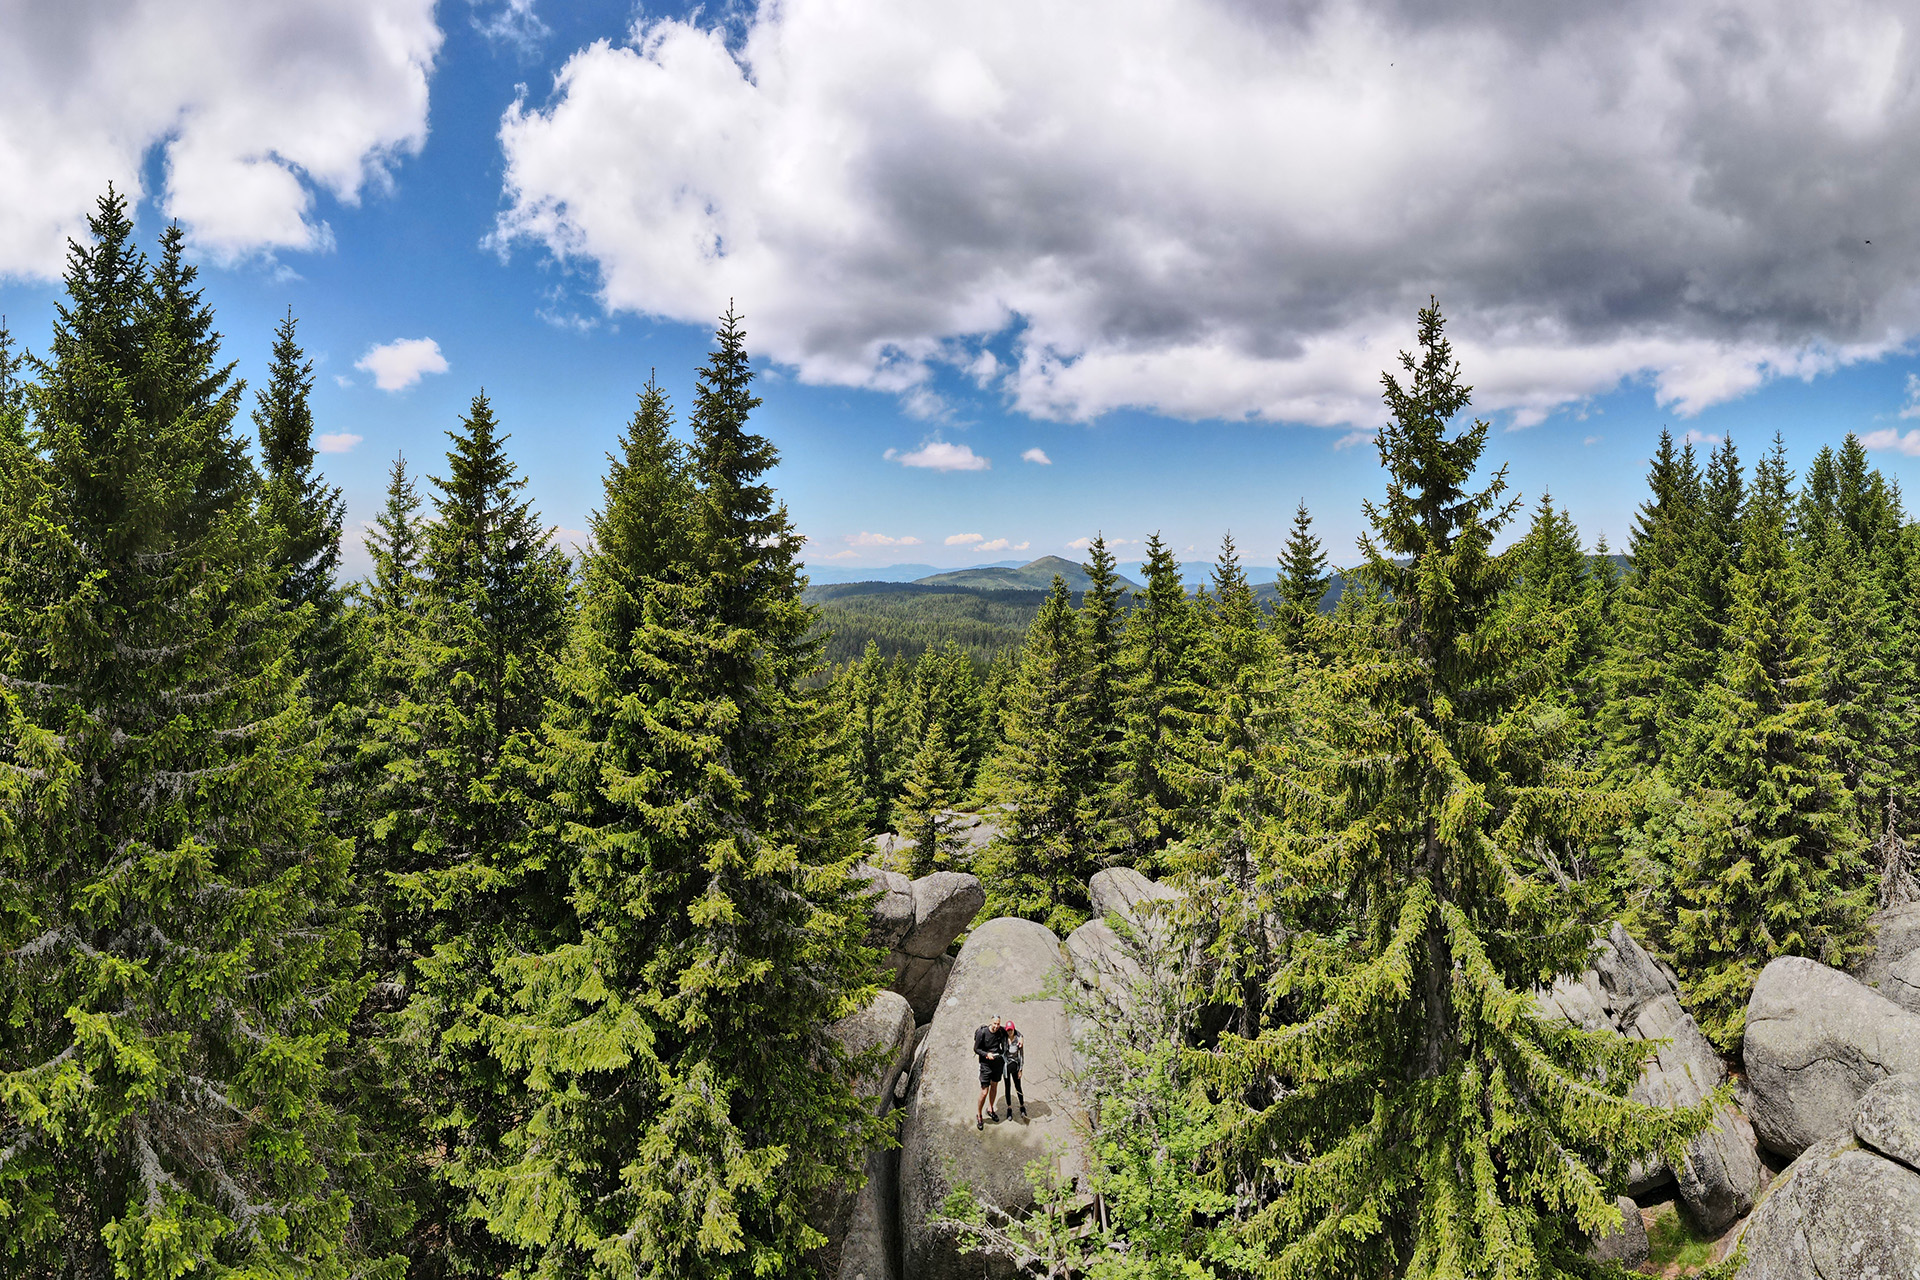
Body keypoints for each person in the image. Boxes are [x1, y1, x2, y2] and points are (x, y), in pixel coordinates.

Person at [974, 1017, 1006, 1130]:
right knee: (984, 1092)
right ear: (990, 1022)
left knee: (994, 1086)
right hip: (985, 1065)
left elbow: (1013, 1030)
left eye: (998, 1024)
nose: (996, 1026)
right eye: (994, 1023)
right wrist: (987, 1054)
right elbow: (976, 1049)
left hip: (997, 1063)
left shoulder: (1001, 1030)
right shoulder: (982, 1033)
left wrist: (1020, 1037)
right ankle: (979, 1115)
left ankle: (991, 1109)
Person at [1002, 1021, 1027, 1120]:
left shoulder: (1018, 1040)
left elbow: (1021, 1055)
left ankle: (1022, 1106)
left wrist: (1021, 1069)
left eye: (1011, 1030)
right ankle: (1009, 1108)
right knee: (1007, 1087)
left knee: (1018, 1086)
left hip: (1015, 1066)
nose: (1009, 1032)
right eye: (1008, 1030)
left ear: (1014, 1030)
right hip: (1006, 1066)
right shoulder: (1004, 1038)